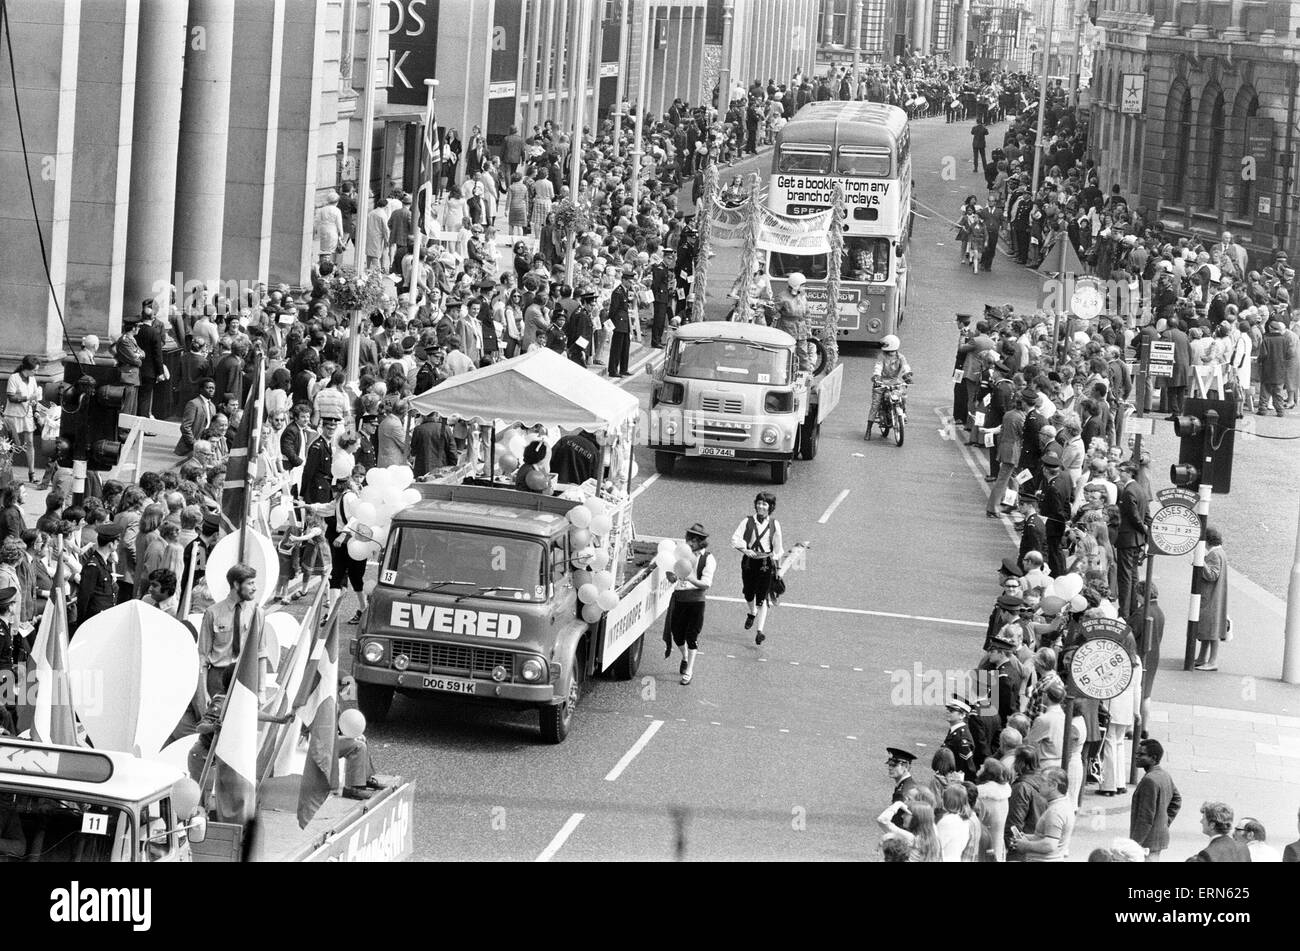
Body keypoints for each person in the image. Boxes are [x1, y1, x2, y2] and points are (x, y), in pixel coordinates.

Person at [197, 563, 266, 702]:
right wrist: (203, 692)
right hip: (218, 679)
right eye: (250, 583)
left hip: (246, 677)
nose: (255, 588)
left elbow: (261, 652)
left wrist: (261, 690)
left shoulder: (257, 612)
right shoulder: (213, 613)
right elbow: (202, 656)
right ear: (236, 585)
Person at [731, 491, 784, 646]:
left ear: (770, 507)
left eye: (764, 504)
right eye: (759, 503)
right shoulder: (747, 521)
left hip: (765, 563)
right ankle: (752, 612)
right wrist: (744, 549)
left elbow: (778, 547)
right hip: (748, 561)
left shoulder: (775, 524)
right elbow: (735, 538)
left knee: (762, 597)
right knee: (748, 593)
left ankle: (760, 631)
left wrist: (777, 566)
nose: (761, 506)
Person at [665, 523, 714, 686]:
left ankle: (689, 670)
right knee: (677, 634)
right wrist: (671, 577)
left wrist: (691, 578)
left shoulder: (708, 558)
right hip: (679, 598)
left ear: (701, 542)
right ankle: (684, 656)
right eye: (688, 539)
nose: (690, 543)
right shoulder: (681, 554)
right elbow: (672, 576)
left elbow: (706, 584)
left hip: (696, 601)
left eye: (694, 540)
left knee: (692, 637)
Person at [1008, 766, 1073, 861]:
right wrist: (1027, 837)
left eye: (1042, 780)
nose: (1038, 784)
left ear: (1053, 785)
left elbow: (1050, 844)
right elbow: (1045, 836)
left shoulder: (1055, 811)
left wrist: (1026, 845)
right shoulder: (1064, 804)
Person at [75, 522, 121, 632]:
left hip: (104, 617)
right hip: (94, 620)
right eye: (117, 541)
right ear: (111, 544)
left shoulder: (105, 563)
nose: (118, 544)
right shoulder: (93, 566)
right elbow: (84, 597)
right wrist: (81, 624)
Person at [1194, 527, 1228, 671]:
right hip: (1216, 596)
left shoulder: (1214, 555)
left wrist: (1201, 561)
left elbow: (1212, 575)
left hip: (1210, 597)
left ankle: (1212, 661)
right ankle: (1202, 657)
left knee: (1211, 629)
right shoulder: (1221, 553)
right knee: (1210, 628)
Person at [4, 355, 42, 484]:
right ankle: (6, 473)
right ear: (27, 369)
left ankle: (32, 473)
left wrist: (35, 409)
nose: (35, 373)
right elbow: (11, 397)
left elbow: (35, 397)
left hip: (27, 414)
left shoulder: (32, 379)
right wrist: (27, 398)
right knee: (11, 445)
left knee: (30, 442)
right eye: (34, 370)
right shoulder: (13, 378)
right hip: (13, 415)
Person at [865, 334, 912, 438]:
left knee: (903, 396)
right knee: (875, 405)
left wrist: (907, 375)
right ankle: (868, 430)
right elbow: (878, 366)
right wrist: (876, 376)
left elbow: (905, 367)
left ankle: (903, 413)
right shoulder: (882, 356)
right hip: (881, 382)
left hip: (895, 382)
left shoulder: (901, 357)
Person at [1187, 801, 1251, 862]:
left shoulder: (1207, 854)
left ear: (1212, 825)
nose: (1201, 821)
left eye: (1204, 818)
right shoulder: (1243, 848)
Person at [773, 272, 811, 372]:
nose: (804, 288)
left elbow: (807, 313)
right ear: (796, 285)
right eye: (802, 285)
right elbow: (772, 311)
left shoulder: (802, 296)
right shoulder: (782, 297)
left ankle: (805, 377)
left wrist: (809, 328)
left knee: (803, 355)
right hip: (787, 329)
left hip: (801, 330)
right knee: (786, 355)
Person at [942, 695, 978, 782]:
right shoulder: (955, 731)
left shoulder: (962, 738)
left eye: (952, 711)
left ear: (962, 715)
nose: (948, 712)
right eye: (948, 709)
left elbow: (967, 768)